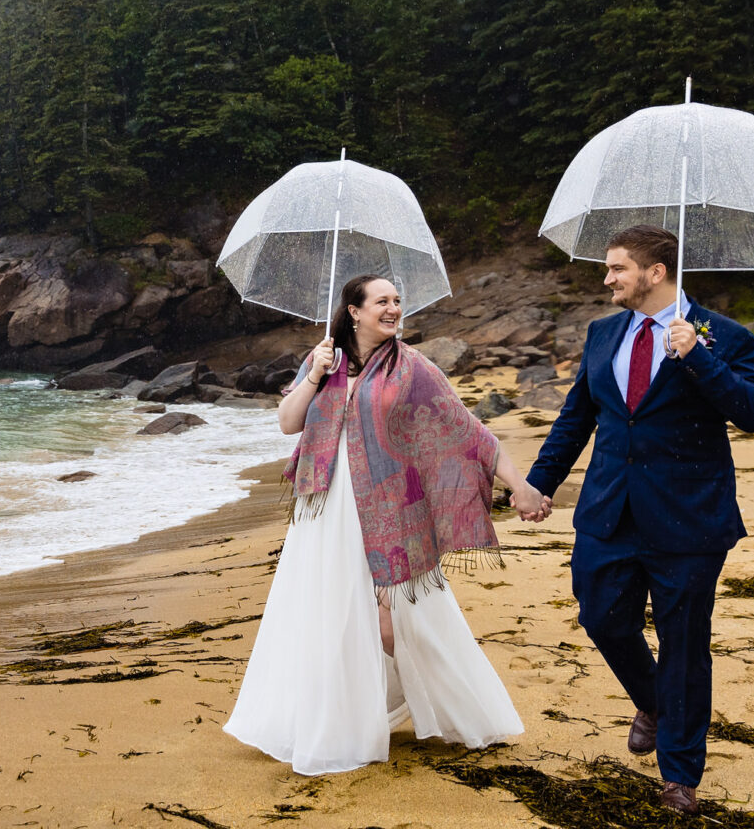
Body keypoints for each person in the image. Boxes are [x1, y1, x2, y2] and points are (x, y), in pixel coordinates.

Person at [223, 274, 549, 775]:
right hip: (326, 507)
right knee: (331, 614)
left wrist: (519, 486)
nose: (394, 308)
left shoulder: (413, 368)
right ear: (354, 310)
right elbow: (289, 423)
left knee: (403, 621)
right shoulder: (323, 361)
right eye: (383, 301)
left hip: (391, 509)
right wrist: (314, 374)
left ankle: (449, 709)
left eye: (398, 300)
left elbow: (467, 432)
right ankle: (337, 725)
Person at [525, 224, 754, 815]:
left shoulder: (723, 337)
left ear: (654, 272)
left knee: (685, 646)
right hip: (608, 510)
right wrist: (540, 482)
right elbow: (576, 416)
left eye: (617, 268)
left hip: (689, 520)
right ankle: (656, 702)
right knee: (602, 617)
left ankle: (679, 776)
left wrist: (698, 359)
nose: (607, 278)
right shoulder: (603, 332)